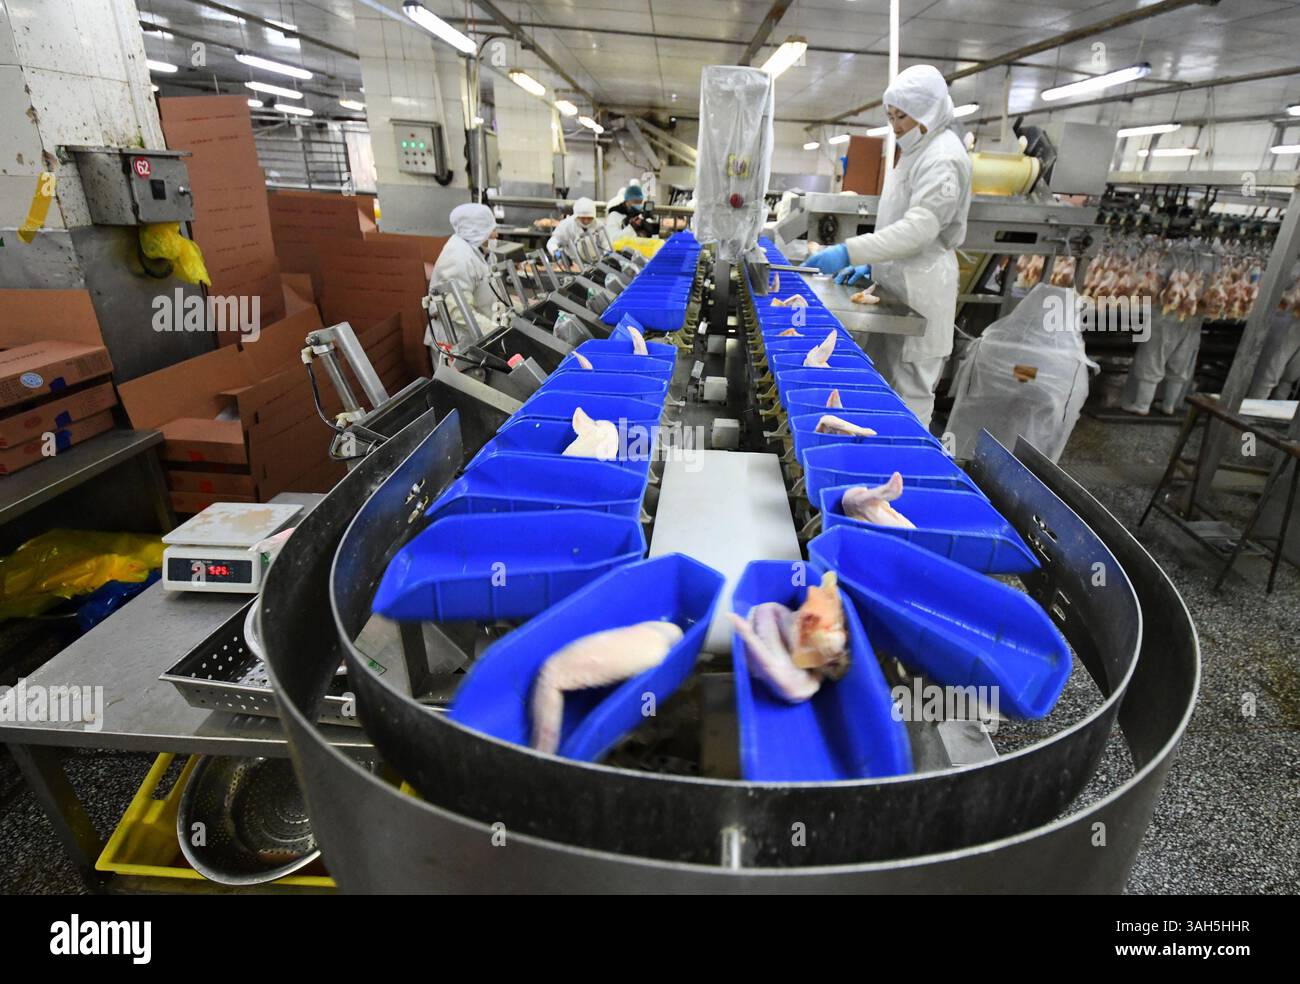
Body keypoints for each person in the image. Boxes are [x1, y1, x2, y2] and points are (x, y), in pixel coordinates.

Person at [805, 65, 974, 427]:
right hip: (897, 283)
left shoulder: (943, 157)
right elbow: (899, 220)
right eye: (891, 116)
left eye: (903, 117)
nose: (895, 126)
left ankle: (905, 466)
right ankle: (872, 460)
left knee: (909, 390)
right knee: (879, 381)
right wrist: (874, 267)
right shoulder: (916, 150)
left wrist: (850, 251)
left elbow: (919, 230)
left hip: (923, 288)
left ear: (927, 114)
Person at [428, 202, 498, 336]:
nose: (496, 235)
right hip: (456, 339)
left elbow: (496, 293)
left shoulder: (480, 250)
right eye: (491, 230)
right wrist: (495, 331)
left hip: (477, 332)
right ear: (476, 231)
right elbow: (459, 311)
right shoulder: (457, 257)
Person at [547, 197, 598, 261]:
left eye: (589, 218)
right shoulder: (566, 225)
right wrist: (559, 255)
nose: (586, 221)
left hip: (596, 263)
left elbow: (606, 245)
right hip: (574, 264)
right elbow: (552, 243)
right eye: (582, 218)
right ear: (576, 216)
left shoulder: (599, 225)